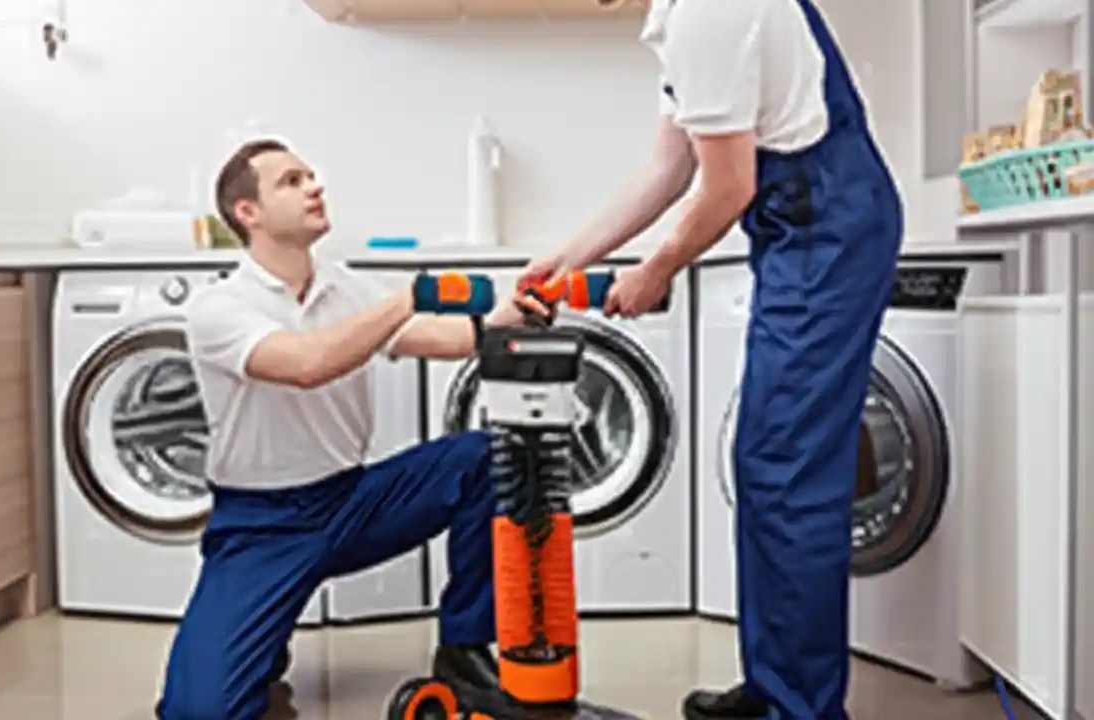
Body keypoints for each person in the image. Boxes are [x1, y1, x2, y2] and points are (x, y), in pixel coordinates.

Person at [525, 0, 903, 718]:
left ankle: (800, 708)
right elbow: (669, 168)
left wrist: (657, 268)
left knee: (787, 473)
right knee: (767, 467)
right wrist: (570, 256)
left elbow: (729, 187)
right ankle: (776, 684)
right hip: (805, 226)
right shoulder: (683, 16)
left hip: (827, 229)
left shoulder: (710, 13)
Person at [156, 138, 539, 720]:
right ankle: (258, 634)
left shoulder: (344, 285)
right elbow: (307, 365)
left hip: (351, 501)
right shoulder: (219, 307)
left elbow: (449, 340)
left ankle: (464, 646)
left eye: (311, 176)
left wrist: (517, 308)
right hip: (262, 526)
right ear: (247, 213)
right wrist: (408, 298)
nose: (314, 186)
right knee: (200, 713)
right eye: (291, 181)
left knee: (490, 455)